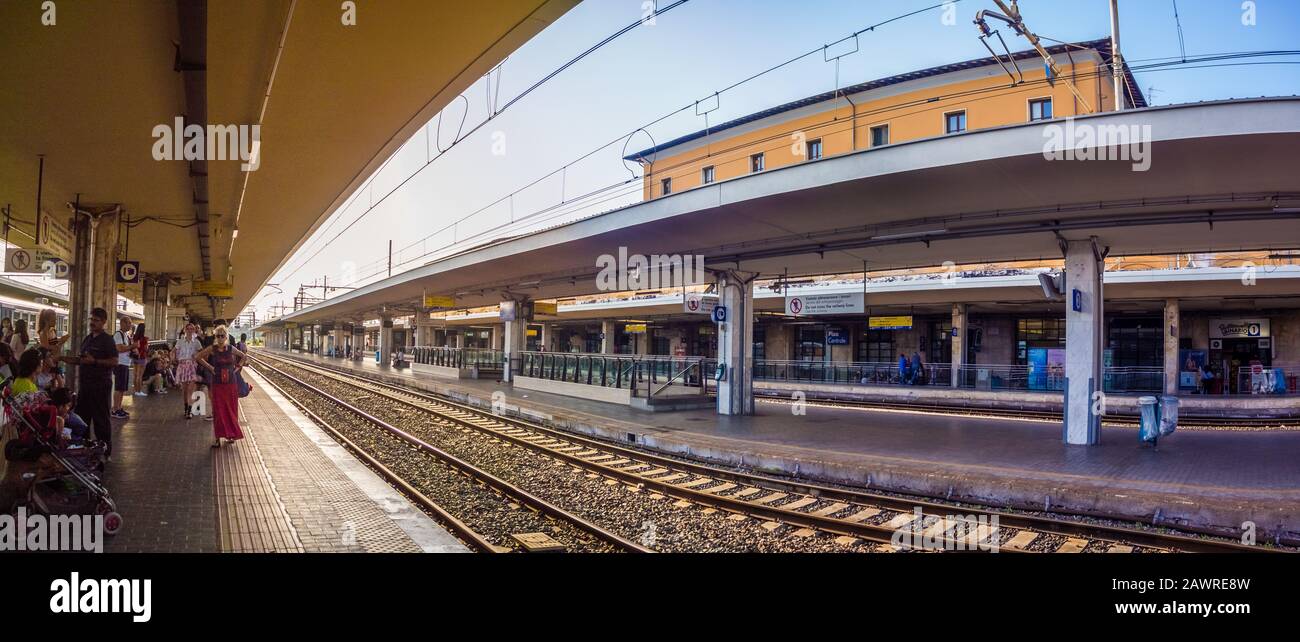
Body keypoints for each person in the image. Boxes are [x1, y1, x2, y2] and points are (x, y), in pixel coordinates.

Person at [58, 308, 119, 461]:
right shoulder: (87, 339)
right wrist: (62, 358)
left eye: (96, 320)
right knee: (82, 418)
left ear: (104, 322)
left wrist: (95, 361)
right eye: (91, 319)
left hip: (100, 386)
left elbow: (114, 361)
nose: (92, 323)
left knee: (101, 419)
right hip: (85, 386)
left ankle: (105, 451)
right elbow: (81, 360)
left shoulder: (107, 340)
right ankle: (84, 449)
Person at [196, 325, 247, 448]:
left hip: (230, 383)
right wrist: (210, 367)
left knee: (231, 409)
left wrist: (237, 368)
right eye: (217, 336)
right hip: (218, 382)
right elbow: (198, 357)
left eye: (222, 336)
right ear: (215, 337)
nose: (220, 338)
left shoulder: (231, 348)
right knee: (218, 409)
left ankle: (231, 435)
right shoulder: (212, 348)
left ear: (226, 337)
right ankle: (217, 438)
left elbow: (244, 356)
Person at [173, 322, 203, 419]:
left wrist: (197, 356)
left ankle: (189, 411)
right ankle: (186, 408)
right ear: (185, 330)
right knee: (185, 390)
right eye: (188, 329)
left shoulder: (197, 342)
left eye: (192, 329)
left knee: (190, 390)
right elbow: (173, 351)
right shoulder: (180, 341)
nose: (190, 331)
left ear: (194, 330)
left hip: (192, 366)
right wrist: (173, 359)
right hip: (182, 366)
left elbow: (202, 353)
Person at [110, 316, 134, 418]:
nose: (130, 325)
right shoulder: (118, 335)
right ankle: (115, 409)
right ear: (123, 323)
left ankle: (119, 407)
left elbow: (127, 348)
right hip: (119, 363)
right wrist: (132, 347)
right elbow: (119, 348)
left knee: (123, 388)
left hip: (125, 363)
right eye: (128, 323)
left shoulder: (126, 335)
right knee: (119, 387)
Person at [131, 323, 150, 397]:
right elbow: (146, 349)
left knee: (135, 375)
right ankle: (139, 391)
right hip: (142, 357)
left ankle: (135, 390)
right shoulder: (144, 339)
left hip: (135, 357)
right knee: (140, 376)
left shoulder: (135, 337)